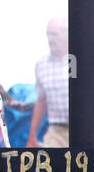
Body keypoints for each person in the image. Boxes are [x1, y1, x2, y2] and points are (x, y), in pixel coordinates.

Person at [27, 17, 69, 147]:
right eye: (48, 34)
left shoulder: (81, 60)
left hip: (84, 130)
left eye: (54, 34)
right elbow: (41, 101)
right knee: (55, 165)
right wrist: (32, 135)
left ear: (66, 34)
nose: (50, 39)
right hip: (56, 131)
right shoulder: (41, 65)